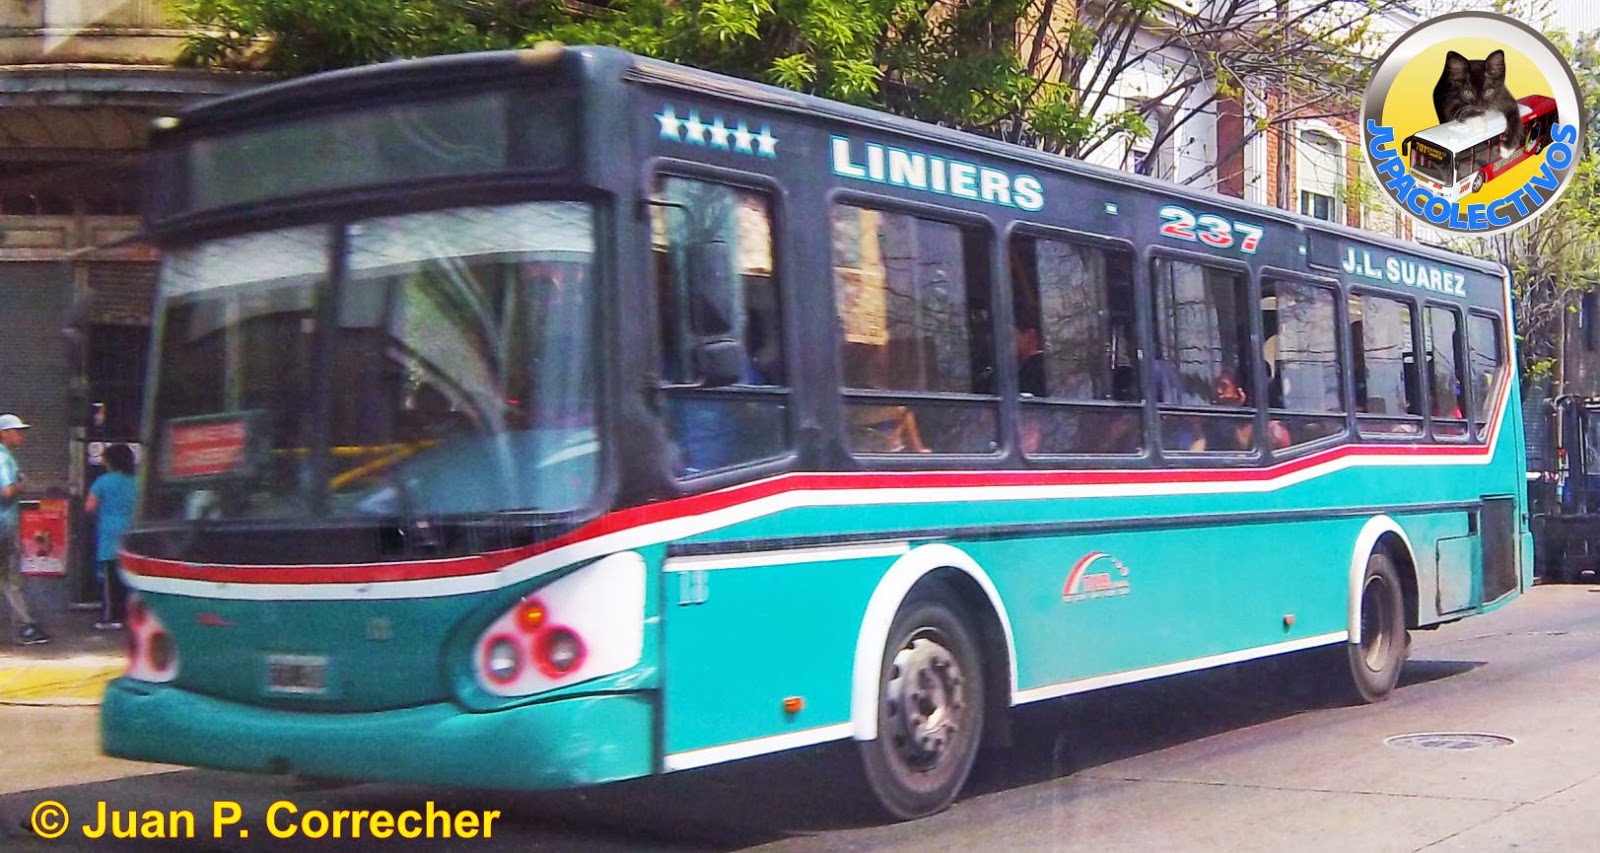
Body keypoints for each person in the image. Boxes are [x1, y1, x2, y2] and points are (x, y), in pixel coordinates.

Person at [0, 414, 48, 645]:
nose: (21, 435)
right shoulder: (2, 458)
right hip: (4, 528)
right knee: (11, 580)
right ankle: (26, 627)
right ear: (4, 433)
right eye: (16, 431)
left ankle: (25, 625)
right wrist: (22, 484)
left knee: (7, 580)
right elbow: (6, 492)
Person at [87, 443, 137, 630]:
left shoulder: (103, 481)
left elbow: (90, 507)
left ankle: (110, 617)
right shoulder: (138, 481)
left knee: (109, 578)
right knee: (129, 579)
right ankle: (129, 615)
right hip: (132, 534)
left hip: (109, 533)